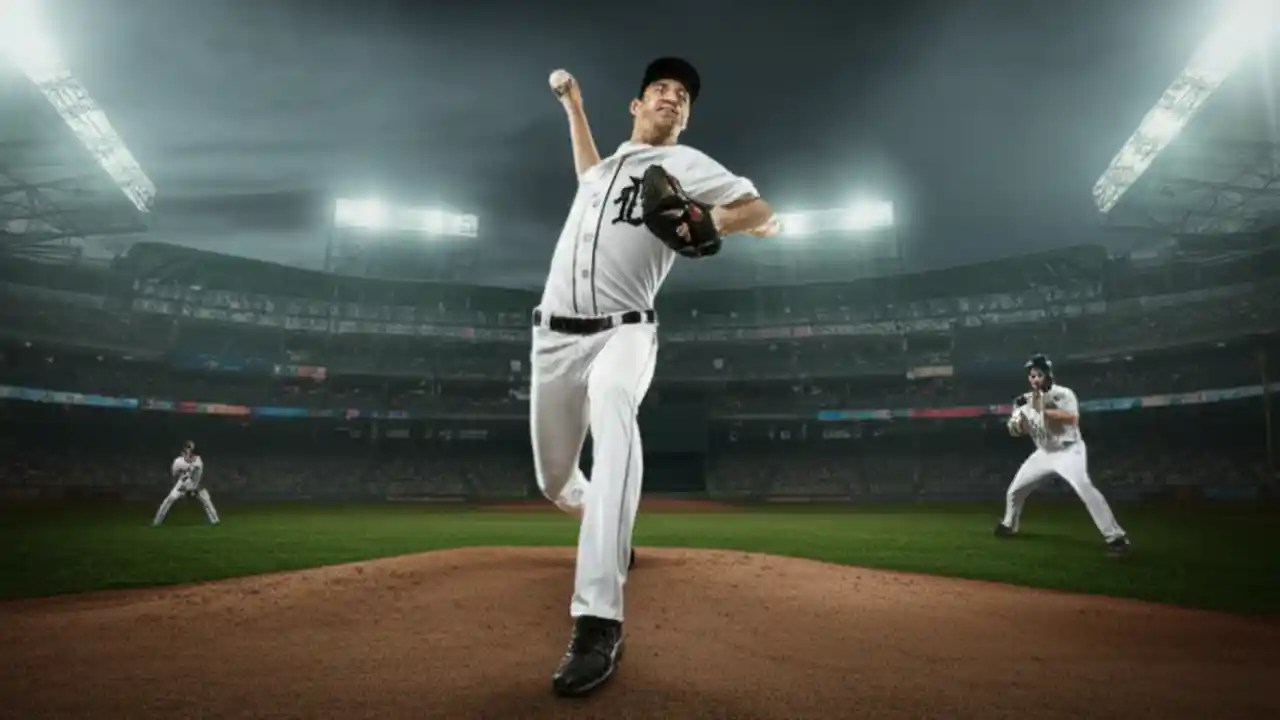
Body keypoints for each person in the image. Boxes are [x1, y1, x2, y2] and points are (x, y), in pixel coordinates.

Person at [534, 57, 778, 697]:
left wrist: (712, 222)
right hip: (552, 336)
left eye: (684, 96)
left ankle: (597, 620)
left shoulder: (685, 165)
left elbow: (756, 208)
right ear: (636, 106)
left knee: (616, 406)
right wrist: (573, 106)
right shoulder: (605, 171)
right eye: (661, 90)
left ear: (686, 116)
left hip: (627, 329)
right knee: (554, 480)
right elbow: (589, 174)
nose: (674, 97)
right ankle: (603, 523)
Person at [997, 355, 1130, 556]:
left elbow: (1072, 418)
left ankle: (1117, 538)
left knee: (1084, 487)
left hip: (1069, 451)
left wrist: (1044, 410)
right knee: (1015, 491)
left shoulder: (1063, 394)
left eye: (1039, 375)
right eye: (1032, 376)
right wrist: (1017, 424)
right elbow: (1015, 429)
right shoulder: (1022, 401)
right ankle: (1009, 525)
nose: (1034, 379)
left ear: (1048, 375)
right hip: (1044, 453)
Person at [153, 440, 219, 526]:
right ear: (184, 451)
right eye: (188, 449)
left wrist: (192, 488)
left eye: (192, 450)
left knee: (206, 499)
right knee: (170, 499)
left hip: (195, 484)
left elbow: (196, 476)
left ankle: (215, 520)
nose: (192, 453)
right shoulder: (178, 462)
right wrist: (180, 487)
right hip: (182, 483)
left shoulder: (198, 461)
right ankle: (157, 522)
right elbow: (174, 475)